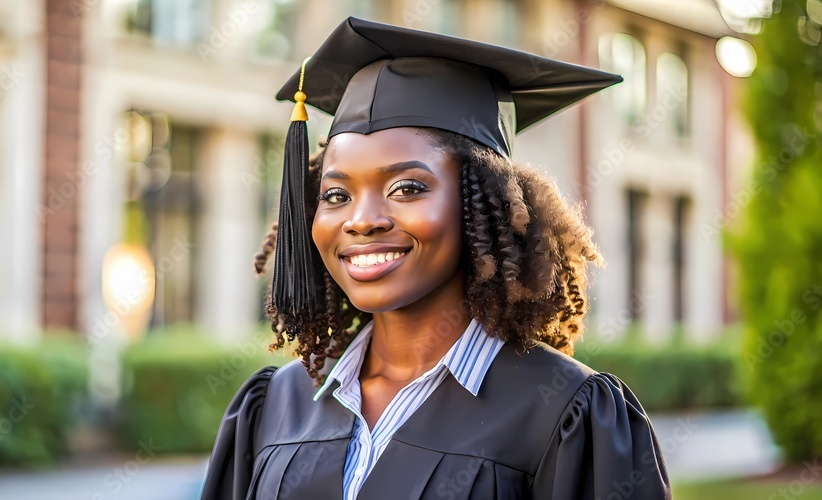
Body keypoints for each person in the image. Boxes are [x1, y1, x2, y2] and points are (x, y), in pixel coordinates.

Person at [201, 17, 670, 500]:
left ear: (480, 204)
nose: (362, 220)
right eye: (336, 194)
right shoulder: (277, 405)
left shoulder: (565, 412)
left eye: (407, 188)